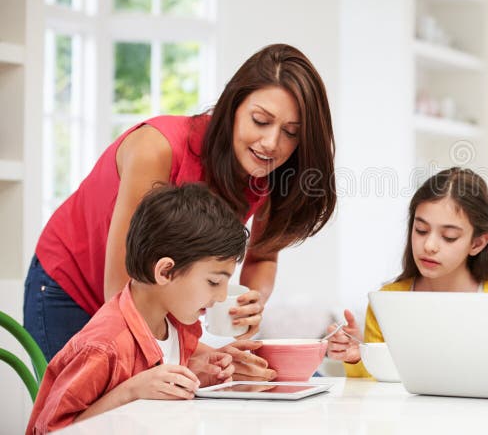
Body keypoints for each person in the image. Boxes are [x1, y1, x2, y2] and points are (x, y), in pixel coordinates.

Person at [24, 43, 337, 365]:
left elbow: (264, 256)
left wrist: (250, 302)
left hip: (147, 302)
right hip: (69, 288)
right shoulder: (157, 149)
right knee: (83, 413)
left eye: (290, 133)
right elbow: (121, 287)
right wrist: (195, 354)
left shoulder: (271, 174)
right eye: (260, 121)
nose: (272, 143)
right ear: (232, 107)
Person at [27, 183, 273, 434]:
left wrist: (199, 374)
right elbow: (51, 430)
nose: (221, 297)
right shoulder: (103, 346)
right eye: (213, 282)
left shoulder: (177, 326)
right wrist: (130, 393)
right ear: (165, 271)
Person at [327, 167, 488, 377]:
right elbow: (377, 389)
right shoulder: (387, 300)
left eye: (448, 236)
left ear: (477, 243)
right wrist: (360, 357)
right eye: (421, 230)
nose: (429, 245)